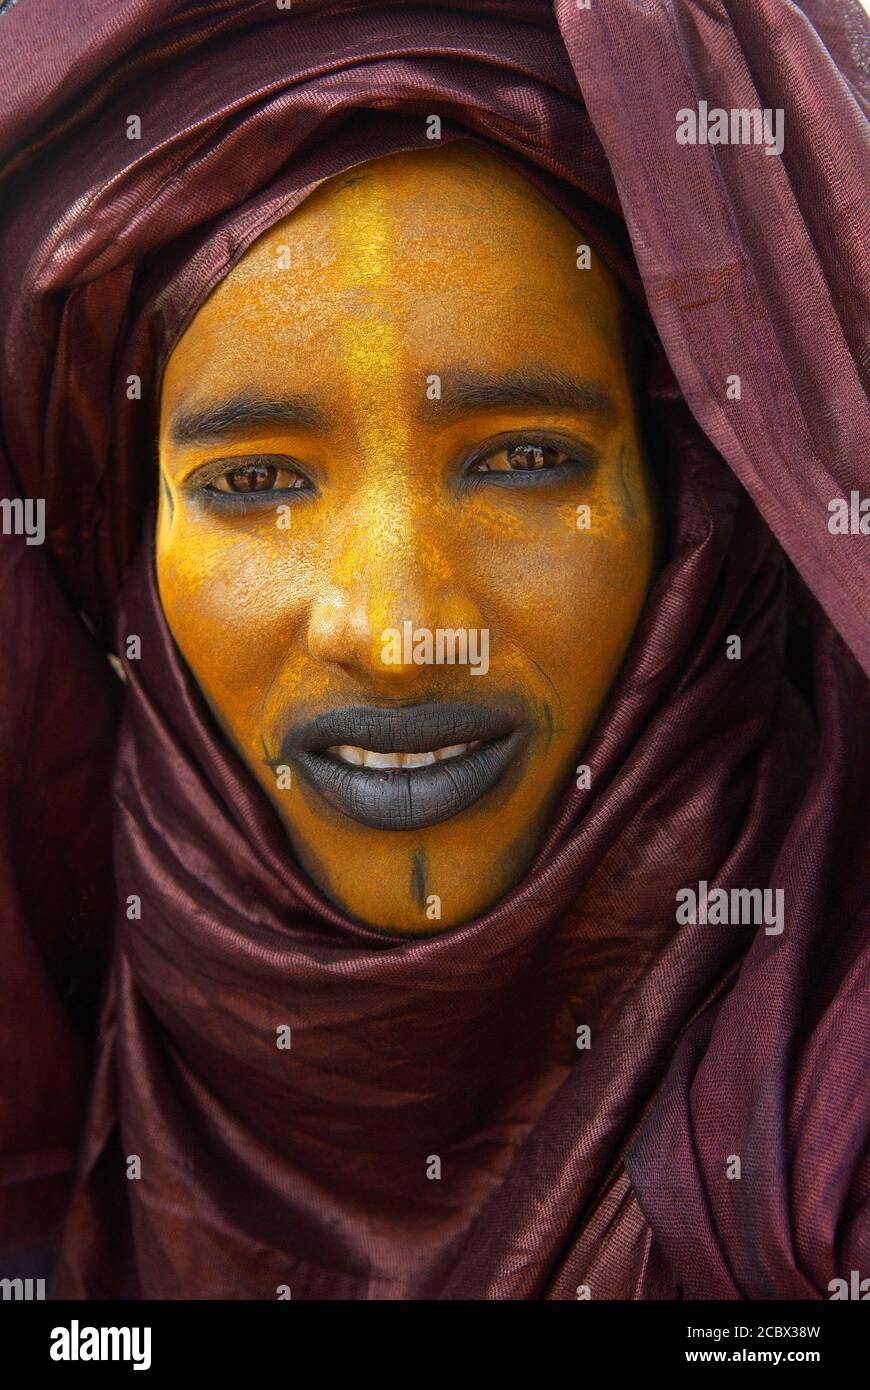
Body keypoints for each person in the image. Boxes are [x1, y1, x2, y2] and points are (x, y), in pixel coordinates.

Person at [0, 0, 866, 1300]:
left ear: (692, 520)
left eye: (525, 462)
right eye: (254, 482)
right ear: (130, 546)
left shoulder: (816, 1111)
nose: (400, 636)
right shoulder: (53, 1036)